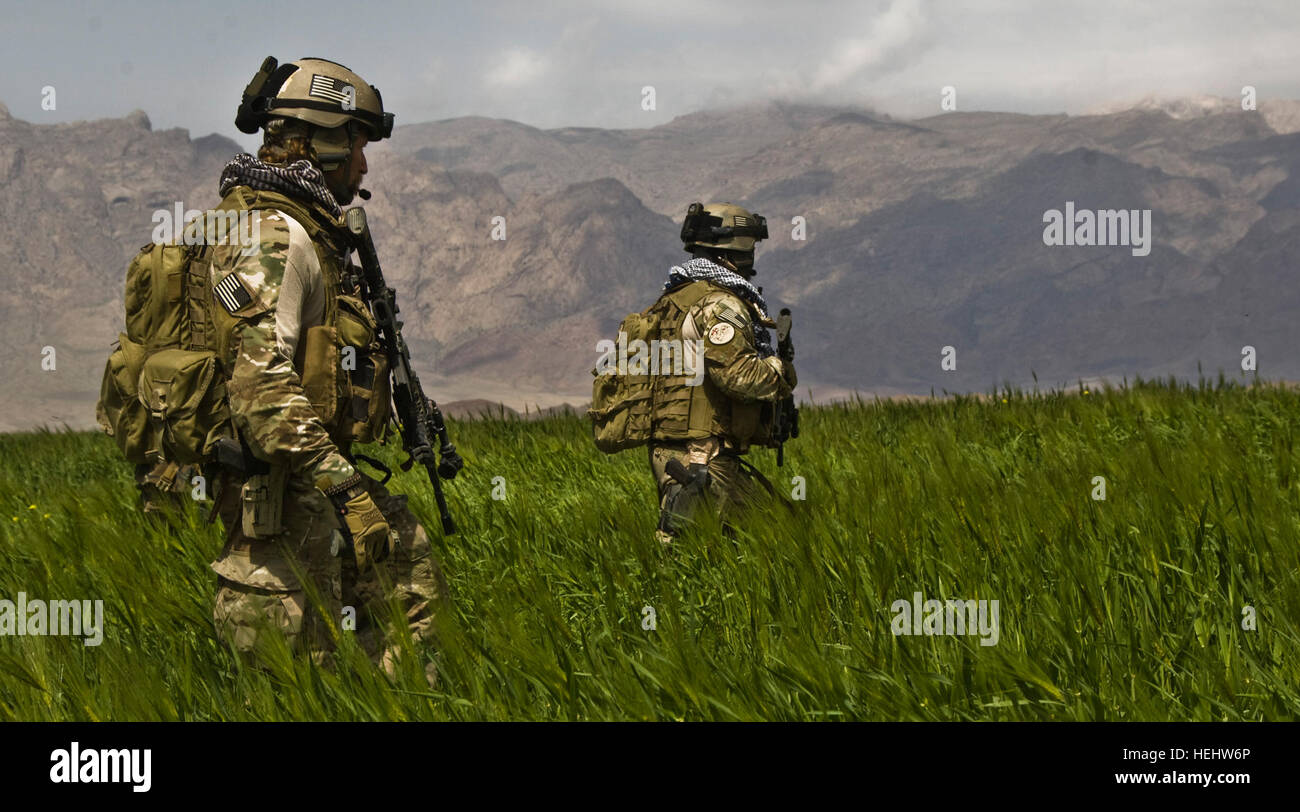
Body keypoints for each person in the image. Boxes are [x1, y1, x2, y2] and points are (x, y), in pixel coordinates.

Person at [205, 57, 446, 682]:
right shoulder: (273, 235)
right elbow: (262, 392)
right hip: (287, 499)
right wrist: (345, 487)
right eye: (359, 144)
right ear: (323, 140)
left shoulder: (304, 228)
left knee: (407, 569)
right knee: (297, 676)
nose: (364, 164)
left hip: (311, 491)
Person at [647, 202, 797, 544]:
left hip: (672, 449)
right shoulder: (721, 304)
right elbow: (739, 378)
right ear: (737, 248)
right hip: (702, 454)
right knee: (775, 541)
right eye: (752, 246)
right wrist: (779, 369)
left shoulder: (673, 298)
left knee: (699, 549)